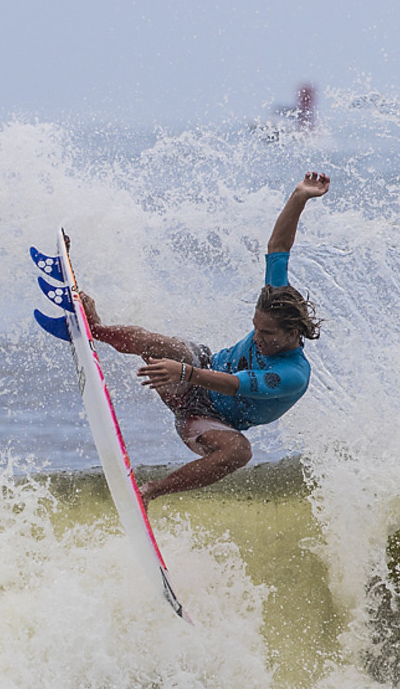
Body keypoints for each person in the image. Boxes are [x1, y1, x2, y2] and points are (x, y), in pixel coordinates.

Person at [82, 171, 330, 503]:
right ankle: (96, 329)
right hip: (203, 364)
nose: (257, 337)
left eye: (267, 333)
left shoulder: (292, 374)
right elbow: (278, 246)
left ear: (293, 333)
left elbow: (234, 384)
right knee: (170, 346)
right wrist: (299, 196)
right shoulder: (275, 300)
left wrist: (184, 374)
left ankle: (151, 491)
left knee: (240, 452)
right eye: (255, 327)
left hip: (207, 419)